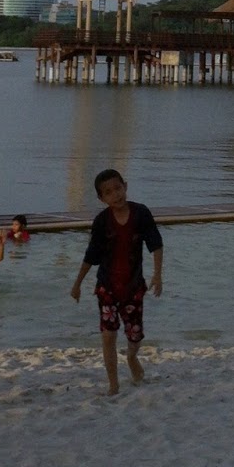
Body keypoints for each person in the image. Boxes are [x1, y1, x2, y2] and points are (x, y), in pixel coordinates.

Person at [70, 168, 164, 395]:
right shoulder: (101, 221)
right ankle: (113, 384)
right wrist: (77, 283)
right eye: (109, 192)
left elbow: (156, 244)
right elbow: (91, 255)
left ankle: (132, 358)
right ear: (102, 198)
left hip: (133, 288)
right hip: (107, 287)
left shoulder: (141, 214)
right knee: (108, 335)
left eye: (118, 188)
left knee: (134, 335)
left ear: (126, 186)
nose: (116, 195)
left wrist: (157, 275)